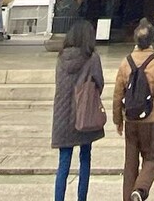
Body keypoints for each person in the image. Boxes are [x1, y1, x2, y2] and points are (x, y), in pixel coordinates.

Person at [112, 18, 154, 201]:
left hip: (130, 118)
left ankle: (127, 198)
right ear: (152, 40)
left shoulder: (126, 62)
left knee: (130, 163)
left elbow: (117, 95)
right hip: (150, 119)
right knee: (151, 159)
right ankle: (140, 189)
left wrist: (118, 120)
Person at [50, 18, 105, 201]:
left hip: (62, 115)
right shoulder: (92, 58)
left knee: (63, 163)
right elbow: (99, 83)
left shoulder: (61, 57)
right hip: (84, 114)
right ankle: (82, 198)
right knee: (85, 157)